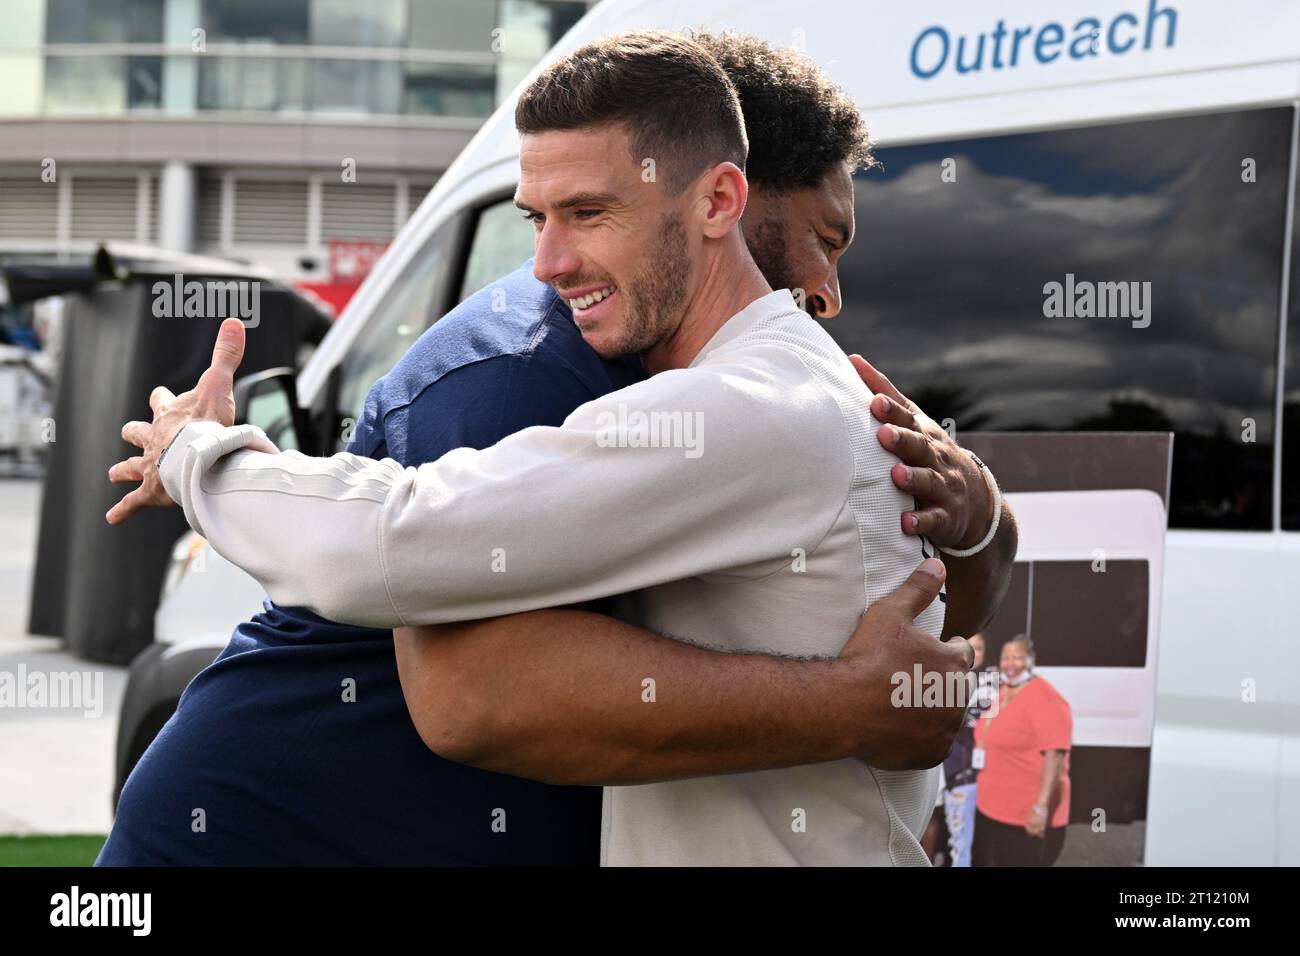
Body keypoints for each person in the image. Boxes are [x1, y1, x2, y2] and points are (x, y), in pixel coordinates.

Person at [102, 32, 1015, 866]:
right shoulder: (530, 370)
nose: (545, 263)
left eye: (588, 211)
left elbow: (394, 544)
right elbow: (469, 688)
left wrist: (198, 455)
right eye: (537, 218)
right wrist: (848, 703)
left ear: (720, 199)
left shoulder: (755, 397)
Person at [971, 635, 1072, 866]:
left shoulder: (1046, 698)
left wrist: (1040, 809)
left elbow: (1055, 757)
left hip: (1023, 815)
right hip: (993, 809)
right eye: (1005, 658)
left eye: (1017, 657)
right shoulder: (1006, 691)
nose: (1010, 663)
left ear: (1030, 660)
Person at [941, 632, 992, 867]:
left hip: (968, 776)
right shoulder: (942, 680)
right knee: (955, 838)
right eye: (967, 647)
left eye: (978, 648)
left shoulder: (991, 685)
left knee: (964, 842)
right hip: (941, 773)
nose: (972, 653)